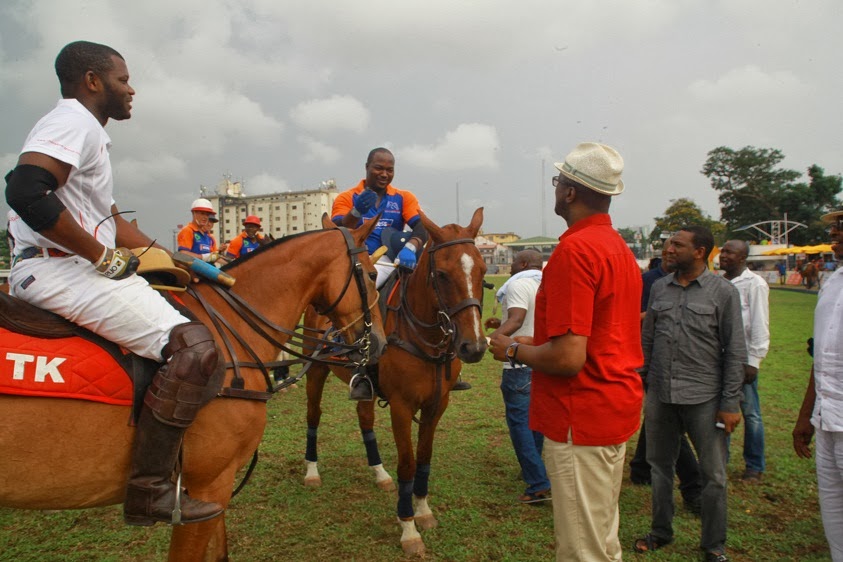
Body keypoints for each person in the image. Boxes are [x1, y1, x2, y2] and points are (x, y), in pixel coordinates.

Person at [4, 41, 224, 526]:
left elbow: (105, 218)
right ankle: (150, 492)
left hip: (63, 264)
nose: (131, 90)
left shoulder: (87, 133)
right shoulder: (73, 122)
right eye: (123, 80)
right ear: (92, 81)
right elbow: (24, 191)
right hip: (60, 268)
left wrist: (169, 256)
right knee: (194, 349)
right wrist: (101, 257)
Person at [489, 142, 643, 561]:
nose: (556, 189)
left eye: (559, 182)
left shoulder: (575, 252)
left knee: (581, 550)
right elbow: (594, 339)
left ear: (570, 192)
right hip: (612, 406)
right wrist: (530, 343)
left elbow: (569, 359)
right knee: (601, 539)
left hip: (581, 416)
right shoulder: (618, 249)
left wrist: (511, 351)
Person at [635, 226, 746, 562]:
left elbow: (735, 350)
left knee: (713, 475)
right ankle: (661, 531)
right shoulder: (659, 289)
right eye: (669, 244)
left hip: (705, 398)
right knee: (659, 466)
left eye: (677, 245)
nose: (669, 249)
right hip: (661, 394)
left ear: (700, 252)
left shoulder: (723, 292)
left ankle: (713, 545)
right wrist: (645, 379)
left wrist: (730, 403)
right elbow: (649, 338)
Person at [332, 147, 438, 401]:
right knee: (362, 301)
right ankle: (360, 369)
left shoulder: (402, 197)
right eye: (378, 168)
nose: (384, 174)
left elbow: (420, 227)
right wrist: (355, 213)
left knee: (434, 289)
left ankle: (445, 360)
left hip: (394, 260)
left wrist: (412, 247)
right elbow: (336, 232)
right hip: (358, 263)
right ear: (367, 167)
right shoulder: (348, 197)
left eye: (389, 169)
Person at [629, 242, 703, 515]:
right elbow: (629, 317)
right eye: (669, 250)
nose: (672, 254)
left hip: (686, 363)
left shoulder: (700, 285)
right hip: (653, 361)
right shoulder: (650, 282)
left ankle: (640, 467)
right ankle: (694, 487)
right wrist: (655, 315)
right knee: (670, 424)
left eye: (678, 249)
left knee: (660, 418)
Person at [793, 209, 843, 561]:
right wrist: (806, 414)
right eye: (836, 229)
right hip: (827, 419)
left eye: (842, 229)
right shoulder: (833, 282)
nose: (835, 235)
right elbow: (821, 357)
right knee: (835, 516)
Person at [486, 249, 550, 504]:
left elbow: (516, 319)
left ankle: (537, 483)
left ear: (522, 263)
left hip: (519, 362)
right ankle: (533, 469)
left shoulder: (518, 284)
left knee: (520, 424)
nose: (510, 266)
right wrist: (498, 323)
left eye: (513, 261)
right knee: (535, 421)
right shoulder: (544, 283)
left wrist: (490, 340)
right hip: (543, 357)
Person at [720, 239, 770, 482]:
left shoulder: (755, 284)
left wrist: (754, 361)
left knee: (751, 413)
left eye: (730, 252)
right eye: (723, 251)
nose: (724, 255)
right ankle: (720, 460)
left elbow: (760, 323)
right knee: (720, 411)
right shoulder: (719, 281)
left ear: (743, 258)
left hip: (742, 361)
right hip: (719, 358)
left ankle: (754, 465)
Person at [177, 198, 220, 264]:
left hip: (207, 269)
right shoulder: (188, 230)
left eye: (207, 215)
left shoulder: (206, 235)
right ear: (194, 213)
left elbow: (211, 256)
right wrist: (203, 257)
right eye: (202, 213)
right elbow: (183, 254)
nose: (205, 217)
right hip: (193, 271)